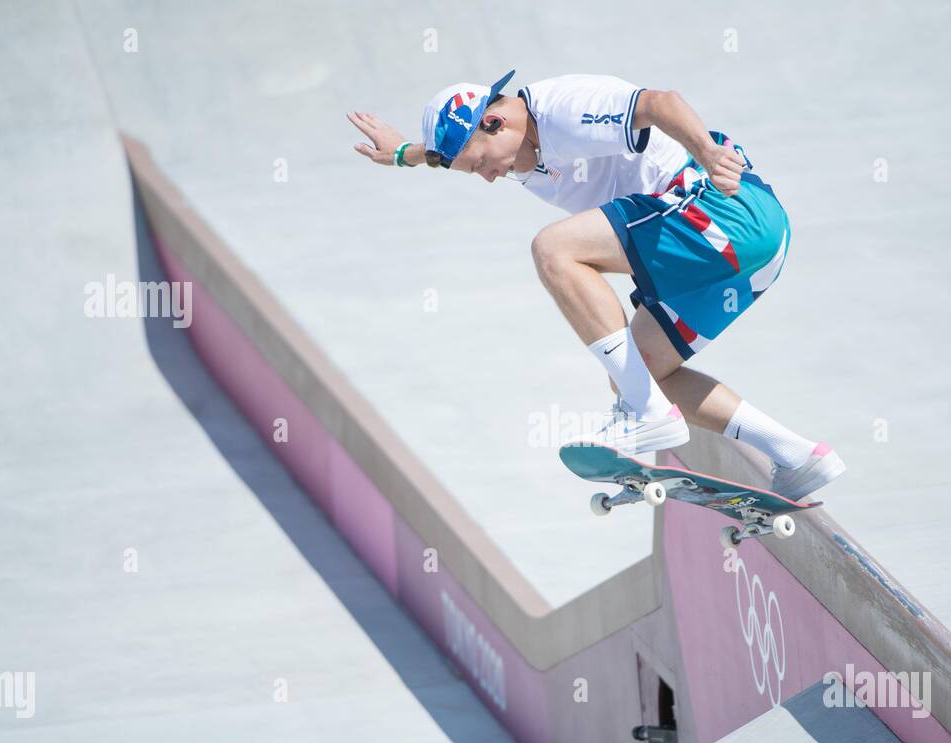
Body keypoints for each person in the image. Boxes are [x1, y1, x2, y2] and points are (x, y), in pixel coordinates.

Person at [347, 69, 844, 501]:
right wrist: (405, 154)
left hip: (722, 211)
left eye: (481, 163)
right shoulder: (500, 136)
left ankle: (644, 414)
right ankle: (798, 456)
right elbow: (450, 152)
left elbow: (659, 102)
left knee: (555, 250)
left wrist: (708, 153)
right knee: (639, 369)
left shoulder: (565, 108)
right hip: (738, 254)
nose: (488, 178)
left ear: (495, 122)